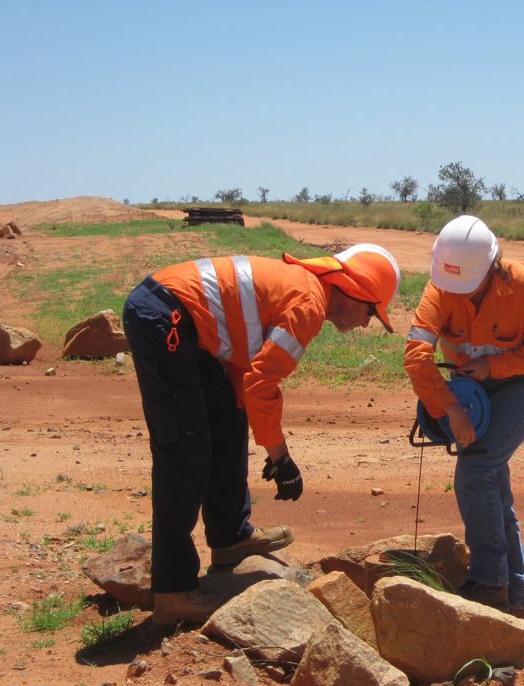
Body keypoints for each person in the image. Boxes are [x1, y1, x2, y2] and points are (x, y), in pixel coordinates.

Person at [122, 244, 401, 624]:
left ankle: (229, 538)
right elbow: (262, 382)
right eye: (371, 311)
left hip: (184, 320)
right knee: (185, 450)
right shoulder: (308, 304)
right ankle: (173, 591)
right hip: (165, 316)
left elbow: (247, 369)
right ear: (354, 292)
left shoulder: (305, 290)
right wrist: (280, 457)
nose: (368, 322)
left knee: (227, 419)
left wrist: (266, 439)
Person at [404, 215, 524, 619]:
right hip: (469, 393)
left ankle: (491, 583)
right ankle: (518, 600)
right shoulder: (441, 285)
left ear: (492, 267)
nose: (458, 292)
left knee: (476, 471)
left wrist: (495, 368)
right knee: (491, 486)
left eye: (467, 285)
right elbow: (416, 355)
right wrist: (450, 408)